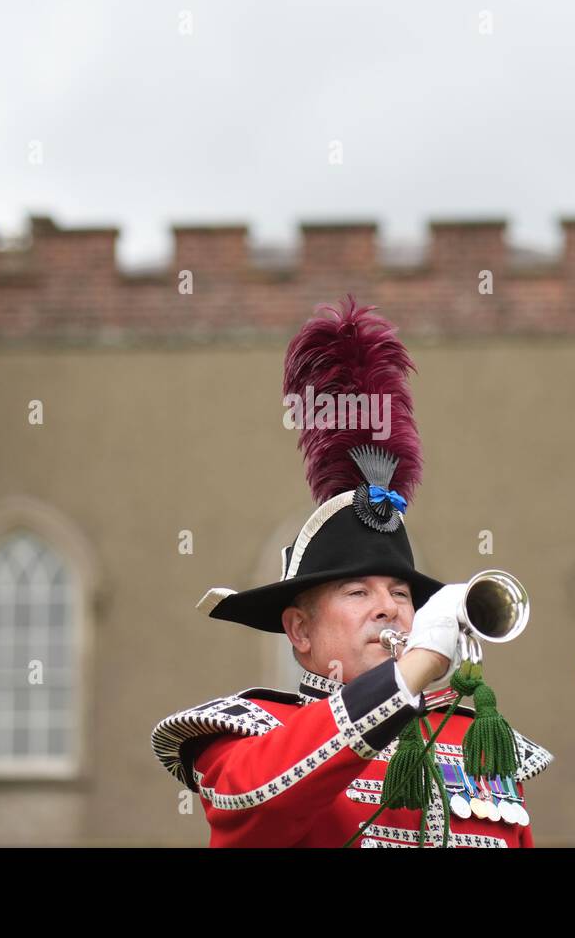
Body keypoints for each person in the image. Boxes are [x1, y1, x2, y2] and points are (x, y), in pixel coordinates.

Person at [151, 297, 552, 847]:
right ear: (299, 630)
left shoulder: (477, 741)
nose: (388, 608)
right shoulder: (247, 730)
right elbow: (254, 798)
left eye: (401, 593)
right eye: (358, 591)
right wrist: (406, 678)